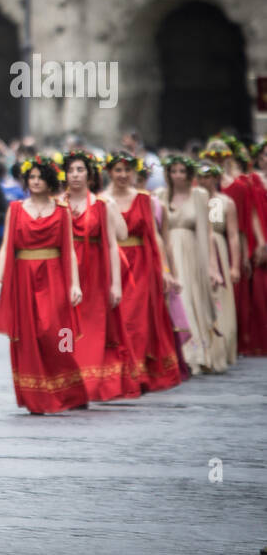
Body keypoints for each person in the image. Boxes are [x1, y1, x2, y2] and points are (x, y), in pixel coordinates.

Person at [0, 155, 88, 414]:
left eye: (40, 177)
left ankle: (71, 391)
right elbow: (7, 247)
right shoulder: (16, 209)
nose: (35, 181)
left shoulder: (62, 211)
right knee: (28, 338)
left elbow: (69, 250)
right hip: (23, 277)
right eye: (31, 177)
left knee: (54, 333)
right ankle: (36, 398)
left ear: (49, 180)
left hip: (54, 275)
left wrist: (75, 285)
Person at [99, 151, 183, 390]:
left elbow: (154, 237)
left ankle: (137, 374)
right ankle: (118, 374)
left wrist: (165, 270)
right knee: (117, 320)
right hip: (112, 265)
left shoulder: (144, 199)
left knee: (136, 321)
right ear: (109, 172)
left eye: (127, 170)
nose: (123, 175)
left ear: (134, 172)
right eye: (118, 170)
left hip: (140, 266)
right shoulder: (101, 199)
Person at [59, 150, 139, 402]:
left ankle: (93, 382)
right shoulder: (59, 203)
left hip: (95, 270)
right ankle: (67, 376)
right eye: (71, 170)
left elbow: (117, 241)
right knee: (66, 327)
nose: (75, 175)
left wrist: (116, 284)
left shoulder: (103, 204)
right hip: (64, 270)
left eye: (80, 170)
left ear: (90, 174)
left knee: (94, 326)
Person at [158, 156, 221, 374]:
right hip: (168, 254)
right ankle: (175, 354)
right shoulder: (160, 196)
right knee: (173, 301)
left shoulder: (200, 196)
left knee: (191, 300)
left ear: (189, 174)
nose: (178, 176)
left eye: (182, 171)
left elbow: (208, 231)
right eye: (174, 171)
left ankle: (195, 355)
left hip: (193, 255)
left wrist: (212, 267)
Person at [204, 138, 267, 357]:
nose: (218, 161)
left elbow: (247, 218)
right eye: (213, 158)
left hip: (227, 243)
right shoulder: (199, 188)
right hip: (204, 243)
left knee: (232, 293)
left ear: (228, 158)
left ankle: (231, 340)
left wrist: (255, 244)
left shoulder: (239, 186)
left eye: (222, 157)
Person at [197, 162, 239, 368]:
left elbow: (232, 236)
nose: (204, 181)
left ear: (215, 178)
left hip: (219, 250)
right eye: (201, 177)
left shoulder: (225, 202)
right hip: (198, 250)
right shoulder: (196, 200)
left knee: (220, 298)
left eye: (208, 177)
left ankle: (222, 348)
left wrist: (235, 266)